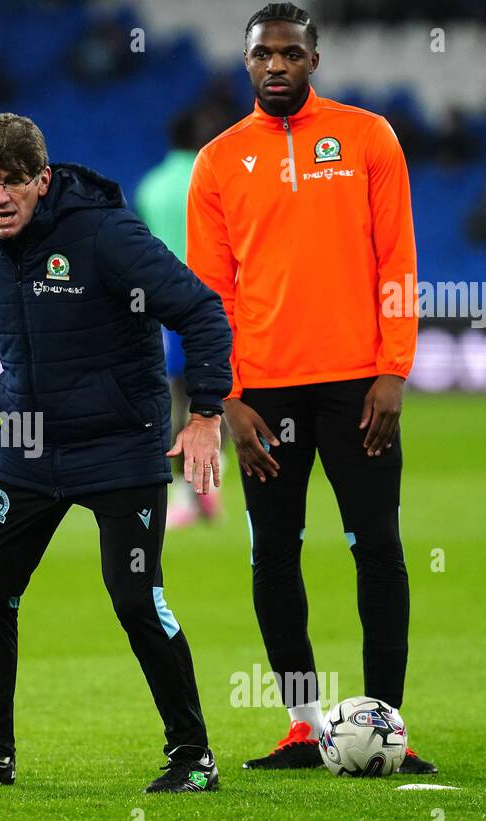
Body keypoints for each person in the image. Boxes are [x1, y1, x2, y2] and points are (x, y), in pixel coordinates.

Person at [0, 112, 233, 794]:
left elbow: (200, 310)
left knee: (136, 598)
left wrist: (203, 414)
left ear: (42, 181)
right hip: (27, 448)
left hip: (120, 446)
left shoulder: (105, 233)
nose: (0, 196)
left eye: (14, 181)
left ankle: (193, 757)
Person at [186, 3, 437, 773]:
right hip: (264, 395)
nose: (277, 67)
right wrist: (226, 395)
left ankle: (387, 723)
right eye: (263, 55)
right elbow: (210, 292)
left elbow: (398, 261)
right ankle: (302, 724)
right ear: (246, 62)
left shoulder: (367, 138)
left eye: (291, 54)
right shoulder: (219, 161)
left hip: (359, 385)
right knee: (274, 555)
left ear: (314, 60)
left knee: (380, 549)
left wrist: (394, 370)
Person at [135, 108, 227, 528]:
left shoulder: (150, 186)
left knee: (177, 398)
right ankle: (209, 486)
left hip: (166, 303)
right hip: (215, 300)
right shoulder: (215, 174)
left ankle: (189, 495)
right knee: (219, 395)